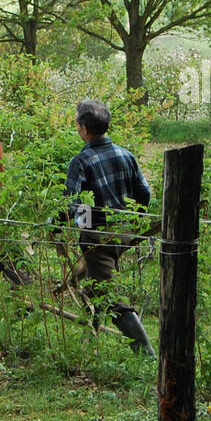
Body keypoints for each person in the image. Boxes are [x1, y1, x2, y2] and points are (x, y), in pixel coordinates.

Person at [64, 100, 155, 357]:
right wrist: (132, 219)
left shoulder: (80, 161)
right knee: (96, 285)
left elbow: (70, 202)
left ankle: (146, 353)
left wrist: (80, 225)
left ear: (83, 128)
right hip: (124, 233)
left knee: (110, 296)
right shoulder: (127, 155)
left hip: (98, 237)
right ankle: (90, 335)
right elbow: (144, 193)